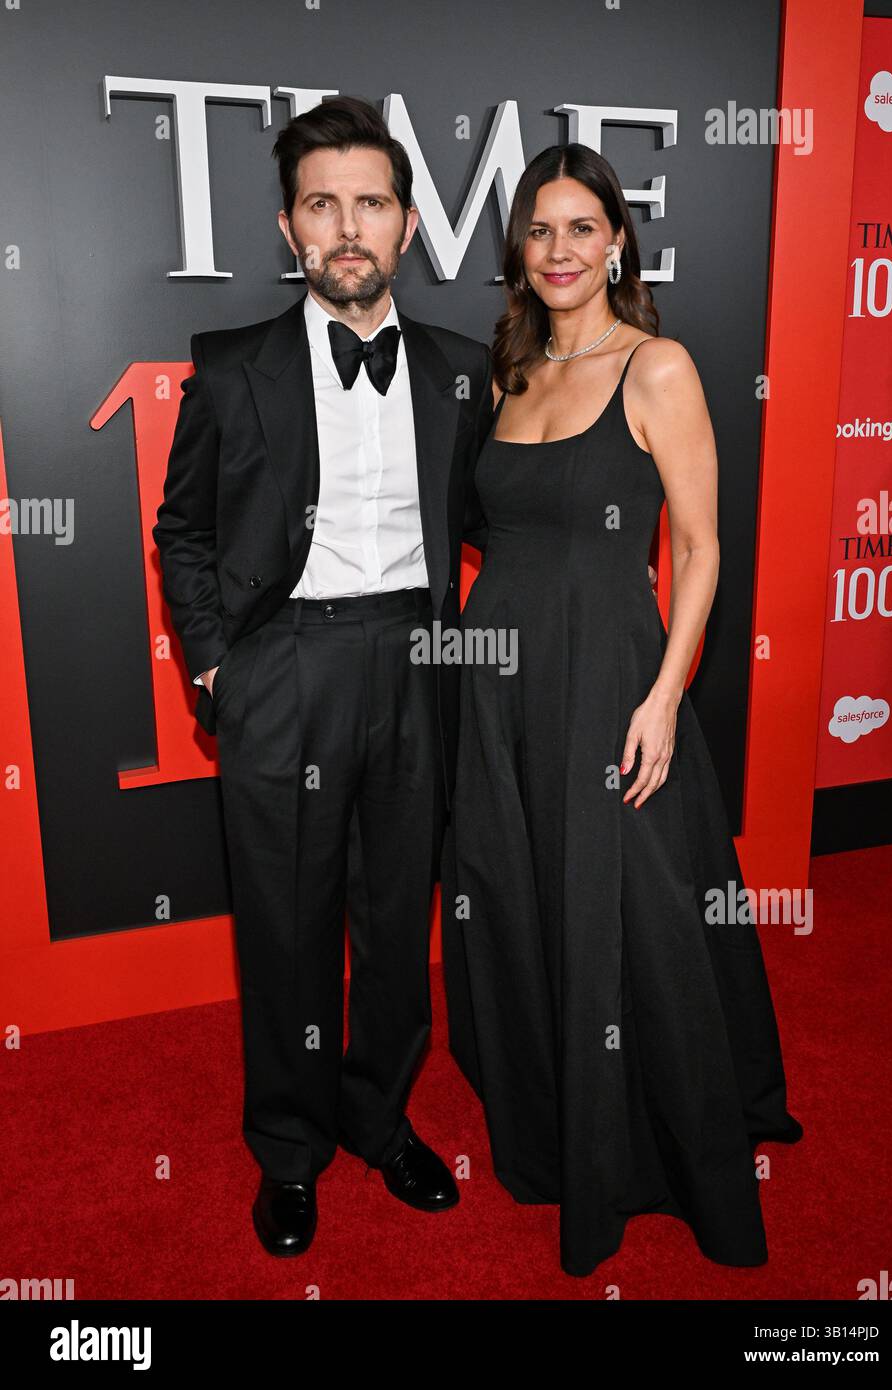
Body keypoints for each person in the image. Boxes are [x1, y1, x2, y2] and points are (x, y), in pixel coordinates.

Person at [441, 142, 803, 1279]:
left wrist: (663, 693)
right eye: (537, 231)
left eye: (579, 228)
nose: (558, 251)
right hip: (501, 684)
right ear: (518, 250)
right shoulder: (507, 372)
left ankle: (663, 1138)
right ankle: (554, 1116)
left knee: (633, 911)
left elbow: (695, 549)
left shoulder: (657, 367)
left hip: (613, 678)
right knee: (524, 890)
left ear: (616, 243)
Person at [153, 96, 495, 1256]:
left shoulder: (458, 372)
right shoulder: (233, 370)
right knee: (286, 929)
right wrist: (213, 667)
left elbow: (504, 523)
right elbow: (181, 530)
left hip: (417, 662)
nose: (348, 226)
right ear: (290, 227)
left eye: (371, 201)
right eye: (321, 203)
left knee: (398, 919)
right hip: (282, 669)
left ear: (405, 224)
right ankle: (290, 1150)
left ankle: (380, 1114)